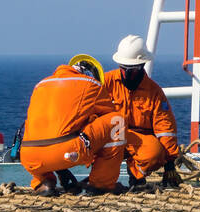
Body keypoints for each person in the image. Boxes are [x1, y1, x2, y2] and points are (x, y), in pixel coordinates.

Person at [19, 54, 126, 196]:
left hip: (29, 157)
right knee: (118, 121)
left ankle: (44, 181)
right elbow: (107, 114)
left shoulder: (41, 85)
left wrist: (60, 170)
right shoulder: (90, 83)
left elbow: (50, 131)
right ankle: (102, 185)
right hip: (67, 152)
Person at [102, 35, 182, 193]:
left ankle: (136, 175)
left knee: (155, 154)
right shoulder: (105, 83)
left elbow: (165, 127)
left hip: (139, 140)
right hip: (110, 136)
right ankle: (101, 180)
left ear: (142, 65)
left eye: (132, 69)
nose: (127, 74)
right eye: (124, 68)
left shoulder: (154, 92)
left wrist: (170, 163)